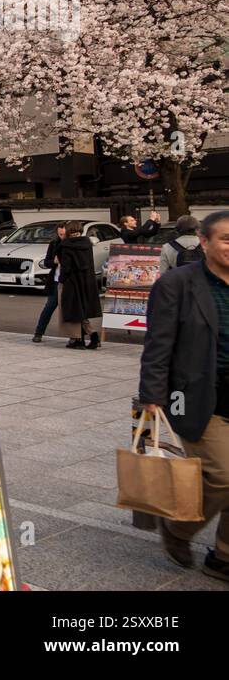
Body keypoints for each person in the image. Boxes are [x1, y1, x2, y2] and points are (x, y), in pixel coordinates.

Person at [139, 210, 229, 583]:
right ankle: (178, 528)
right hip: (199, 396)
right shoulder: (177, 283)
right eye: (225, 239)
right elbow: (159, 343)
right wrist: (152, 395)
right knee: (224, 476)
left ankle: (223, 555)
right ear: (204, 243)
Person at [57, 220, 101, 349]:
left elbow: (66, 267)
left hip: (72, 282)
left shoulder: (66, 245)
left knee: (75, 311)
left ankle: (91, 337)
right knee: (81, 311)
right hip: (87, 280)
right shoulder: (87, 243)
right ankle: (81, 339)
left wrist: (61, 279)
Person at [31, 223, 66, 343]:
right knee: (49, 307)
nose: (62, 236)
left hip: (68, 281)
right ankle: (38, 332)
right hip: (56, 281)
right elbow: (46, 262)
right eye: (60, 234)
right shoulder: (54, 243)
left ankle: (78, 337)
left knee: (72, 310)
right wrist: (54, 261)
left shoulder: (72, 244)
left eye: (64, 234)